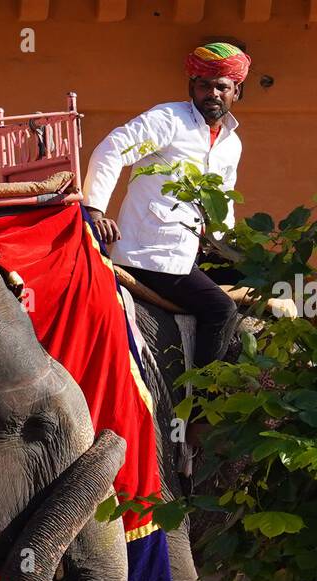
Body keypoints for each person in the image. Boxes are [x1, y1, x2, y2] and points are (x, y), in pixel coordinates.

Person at [82, 42, 251, 372]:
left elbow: (223, 199)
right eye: (204, 85)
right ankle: (203, 407)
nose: (212, 93)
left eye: (222, 87)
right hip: (152, 254)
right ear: (192, 87)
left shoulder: (232, 143)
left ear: (237, 92)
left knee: (262, 280)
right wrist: (95, 210)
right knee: (221, 310)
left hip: (193, 250)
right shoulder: (168, 121)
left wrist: (224, 244)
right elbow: (113, 150)